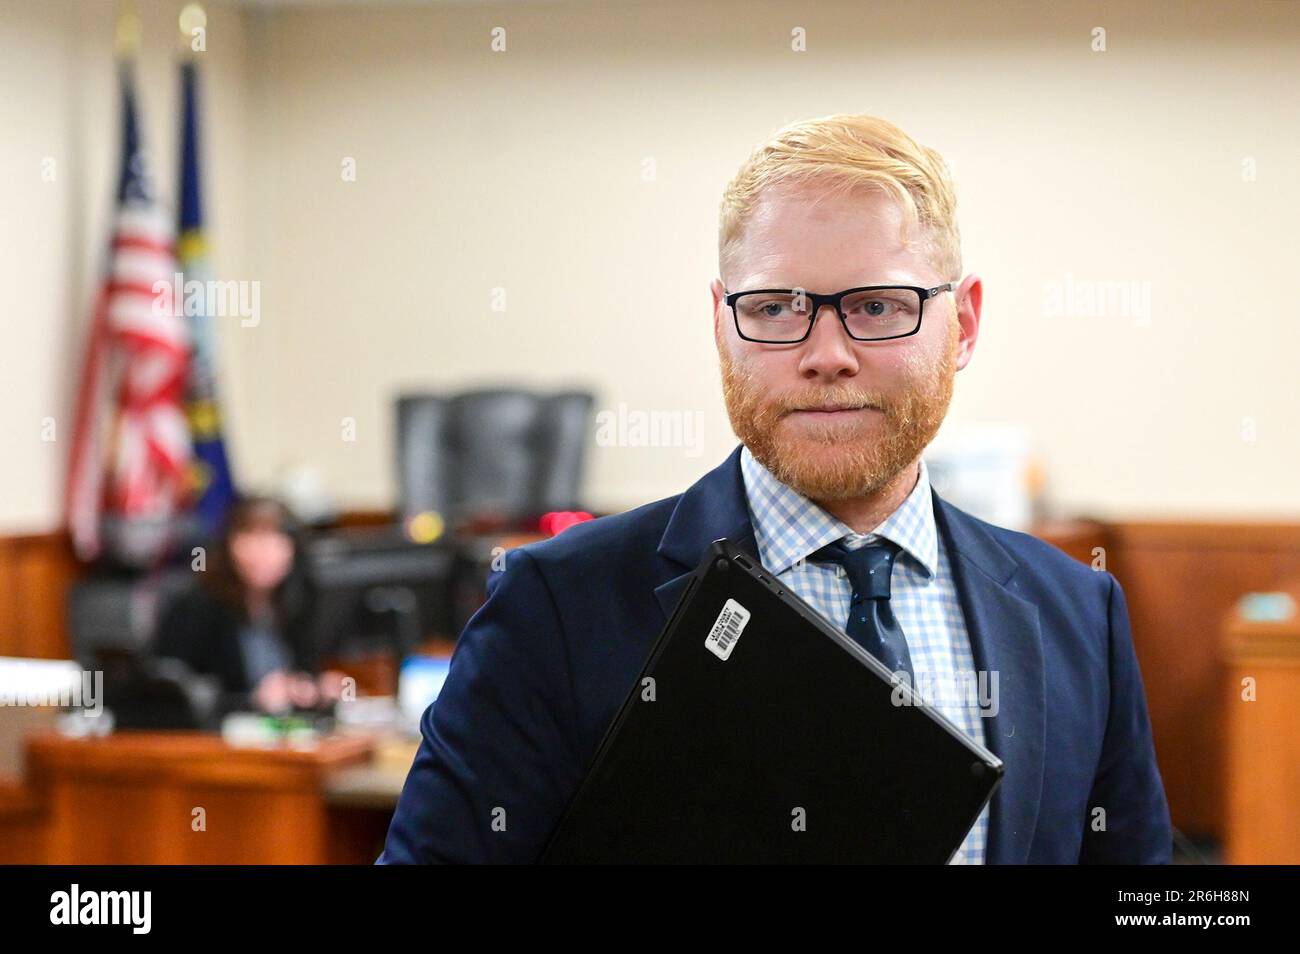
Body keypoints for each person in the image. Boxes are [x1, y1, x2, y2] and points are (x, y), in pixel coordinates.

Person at [378, 114, 1172, 864]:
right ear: (722, 324)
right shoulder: (556, 607)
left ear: (962, 325)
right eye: (775, 307)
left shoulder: (1077, 614)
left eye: (878, 306)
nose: (826, 354)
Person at [155, 496, 345, 717]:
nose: (262, 551)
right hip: (215, 738)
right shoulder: (196, 606)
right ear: (228, 545)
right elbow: (170, 691)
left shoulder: (298, 601)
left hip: (280, 733)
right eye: (250, 536)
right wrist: (250, 701)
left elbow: (301, 669)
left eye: (274, 538)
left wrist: (311, 687)